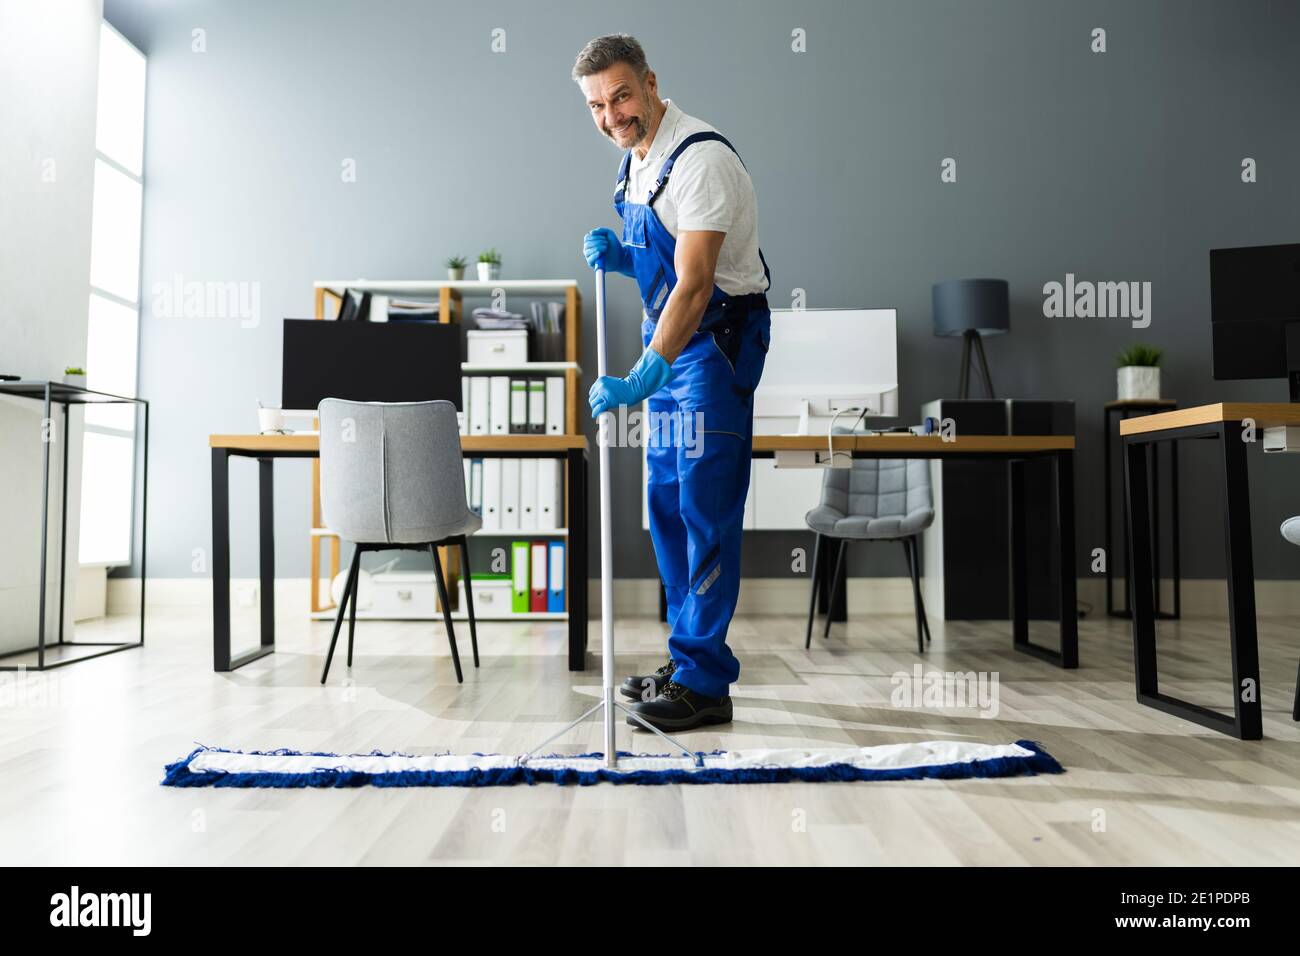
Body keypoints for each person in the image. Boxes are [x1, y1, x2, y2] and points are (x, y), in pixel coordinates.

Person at [573, 34, 772, 732]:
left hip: (713, 344)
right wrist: (626, 257)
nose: (611, 115)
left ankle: (706, 685)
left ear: (651, 83)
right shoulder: (639, 161)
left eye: (621, 95)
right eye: (597, 104)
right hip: (675, 347)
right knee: (666, 506)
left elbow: (693, 284)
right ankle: (686, 661)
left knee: (704, 508)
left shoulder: (701, 159)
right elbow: (663, 260)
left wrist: (640, 376)